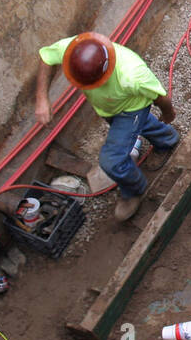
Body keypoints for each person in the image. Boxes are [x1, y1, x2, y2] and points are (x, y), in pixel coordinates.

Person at [34, 32, 179, 220]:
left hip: (132, 109)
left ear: (107, 72)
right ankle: (167, 139)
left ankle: (135, 190)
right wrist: (41, 99)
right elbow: (46, 57)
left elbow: (160, 97)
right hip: (109, 108)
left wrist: (168, 113)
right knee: (136, 127)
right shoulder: (75, 49)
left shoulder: (133, 74)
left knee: (112, 161)